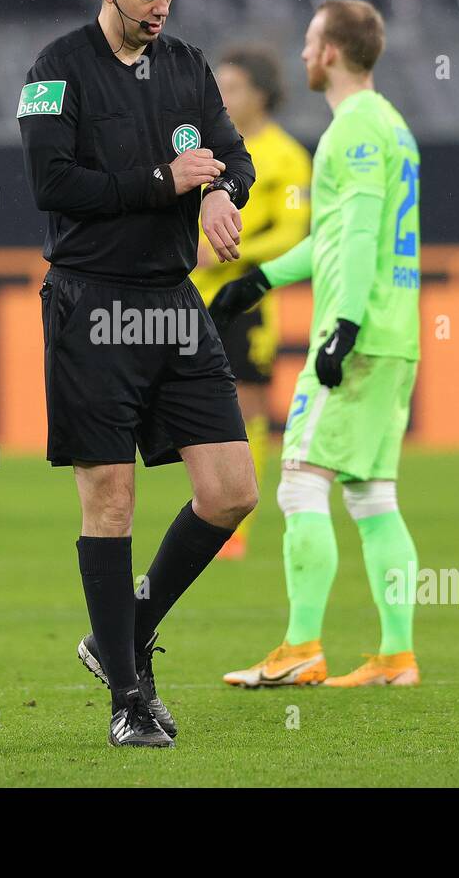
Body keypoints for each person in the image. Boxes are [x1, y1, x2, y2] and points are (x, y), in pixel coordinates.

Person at [17, 0, 257, 746]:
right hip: (92, 303)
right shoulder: (56, 70)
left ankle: (123, 630)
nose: (162, 8)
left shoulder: (187, 67)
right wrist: (165, 180)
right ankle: (128, 696)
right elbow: (52, 182)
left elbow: (231, 156)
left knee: (231, 490)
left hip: (172, 300)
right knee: (110, 497)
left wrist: (224, 193)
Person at [211, 0, 423, 689]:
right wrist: (260, 279)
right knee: (372, 495)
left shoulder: (354, 129)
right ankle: (396, 654)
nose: (302, 54)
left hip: (359, 334)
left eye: (309, 42)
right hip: (397, 334)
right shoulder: (391, 124)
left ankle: (301, 645)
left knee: (301, 481)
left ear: (331, 51)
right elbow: (334, 237)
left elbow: (358, 232)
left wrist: (344, 329)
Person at [191, 45, 311, 559]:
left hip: (248, 300)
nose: (221, 96)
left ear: (260, 95)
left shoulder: (286, 156)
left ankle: (236, 525)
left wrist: (230, 255)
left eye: (233, 87)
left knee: (248, 407)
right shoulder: (204, 148)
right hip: (189, 295)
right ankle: (207, 504)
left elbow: (293, 233)